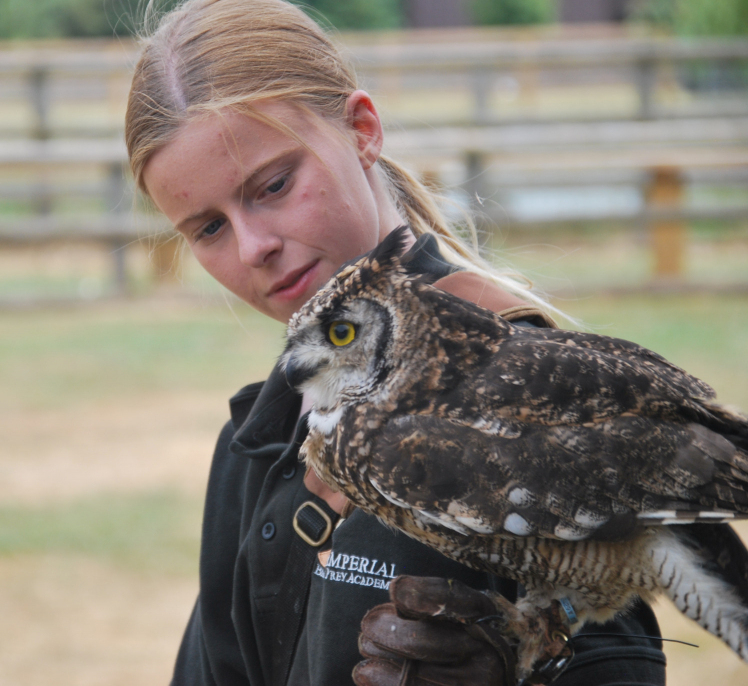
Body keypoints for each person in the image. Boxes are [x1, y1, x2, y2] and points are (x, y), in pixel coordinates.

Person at [124, 1, 668, 684]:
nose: (254, 246)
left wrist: (529, 670)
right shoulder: (255, 442)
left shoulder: (523, 386)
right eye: (208, 228)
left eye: (274, 184)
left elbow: (619, 666)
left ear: (361, 129)